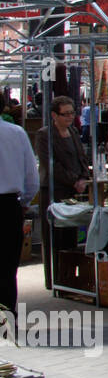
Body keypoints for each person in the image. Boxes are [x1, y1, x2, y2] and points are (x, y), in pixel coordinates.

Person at [34, 96, 91, 291]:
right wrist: (73, 180)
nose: (69, 117)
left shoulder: (74, 131)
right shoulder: (44, 135)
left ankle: (69, 277)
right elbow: (51, 165)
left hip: (73, 191)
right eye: (65, 114)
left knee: (70, 234)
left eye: (72, 113)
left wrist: (84, 177)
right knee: (53, 236)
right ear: (54, 115)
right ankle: (54, 278)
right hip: (53, 190)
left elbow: (82, 157)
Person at [0, 116, 39, 313]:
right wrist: (24, 203)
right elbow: (32, 177)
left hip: (10, 204)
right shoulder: (16, 133)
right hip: (8, 207)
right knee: (7, 268)